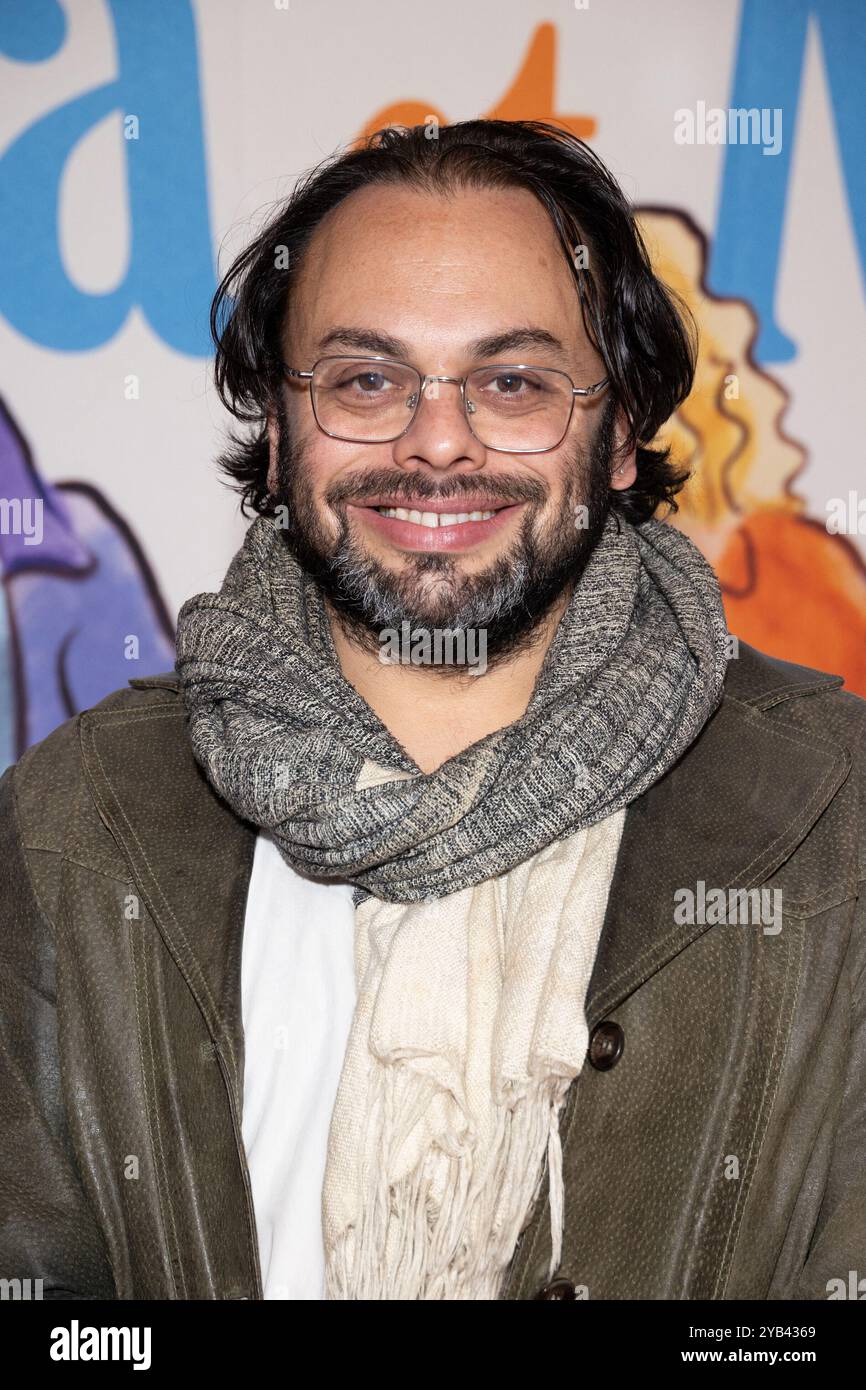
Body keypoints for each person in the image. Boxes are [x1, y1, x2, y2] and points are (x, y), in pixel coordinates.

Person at [1, 120, 863, 1302]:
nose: (438, 440)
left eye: (512, 381)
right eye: (364, 379)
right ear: (276, 432)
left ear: (619, 430)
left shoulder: (838, 820)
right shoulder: (77, 823)